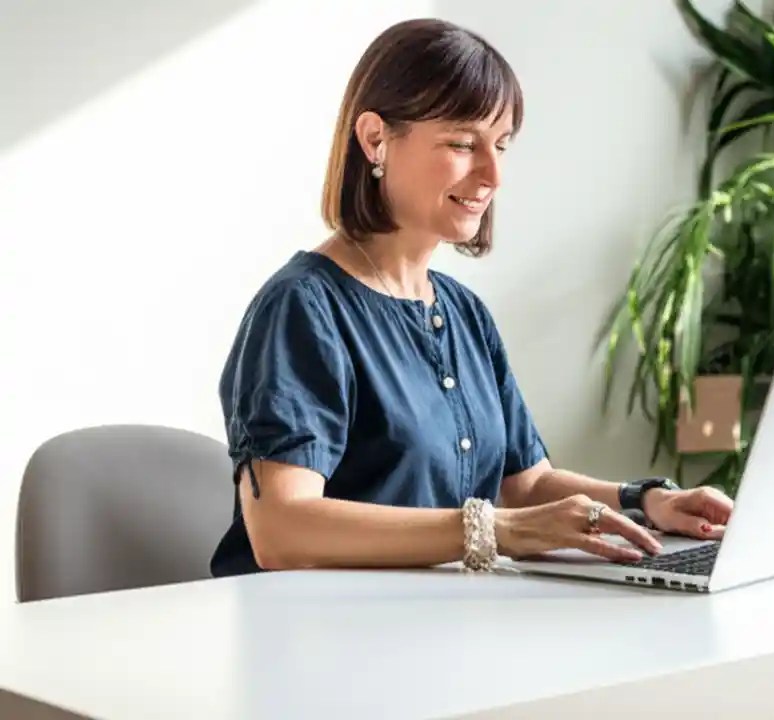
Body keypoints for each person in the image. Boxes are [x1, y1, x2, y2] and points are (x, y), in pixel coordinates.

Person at [208, 18, 733, 577]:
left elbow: (526, 483)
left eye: (501, 145)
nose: (493, 173)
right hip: (325, 644)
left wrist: (646, 501)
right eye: (463, 143)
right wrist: (495, 530)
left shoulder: (462, 312)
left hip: (446, 628)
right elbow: (283, 530)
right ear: (374, 139)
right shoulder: (304, 309)